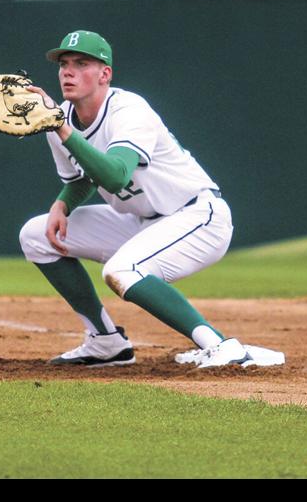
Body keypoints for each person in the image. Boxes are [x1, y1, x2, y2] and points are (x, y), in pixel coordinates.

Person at [16, 29, 277, 369]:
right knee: (35, 235)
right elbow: (83, 177)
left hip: (197, 217)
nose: (68, 71)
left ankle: (222, 346)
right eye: (64, 64)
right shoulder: (60, 118)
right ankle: (105, 341)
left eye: (82, 63)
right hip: (141, 222)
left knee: (122, 270)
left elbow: (114, 175)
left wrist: (61, 129)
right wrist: (62, 204)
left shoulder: (129, 110)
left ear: (104, 74)